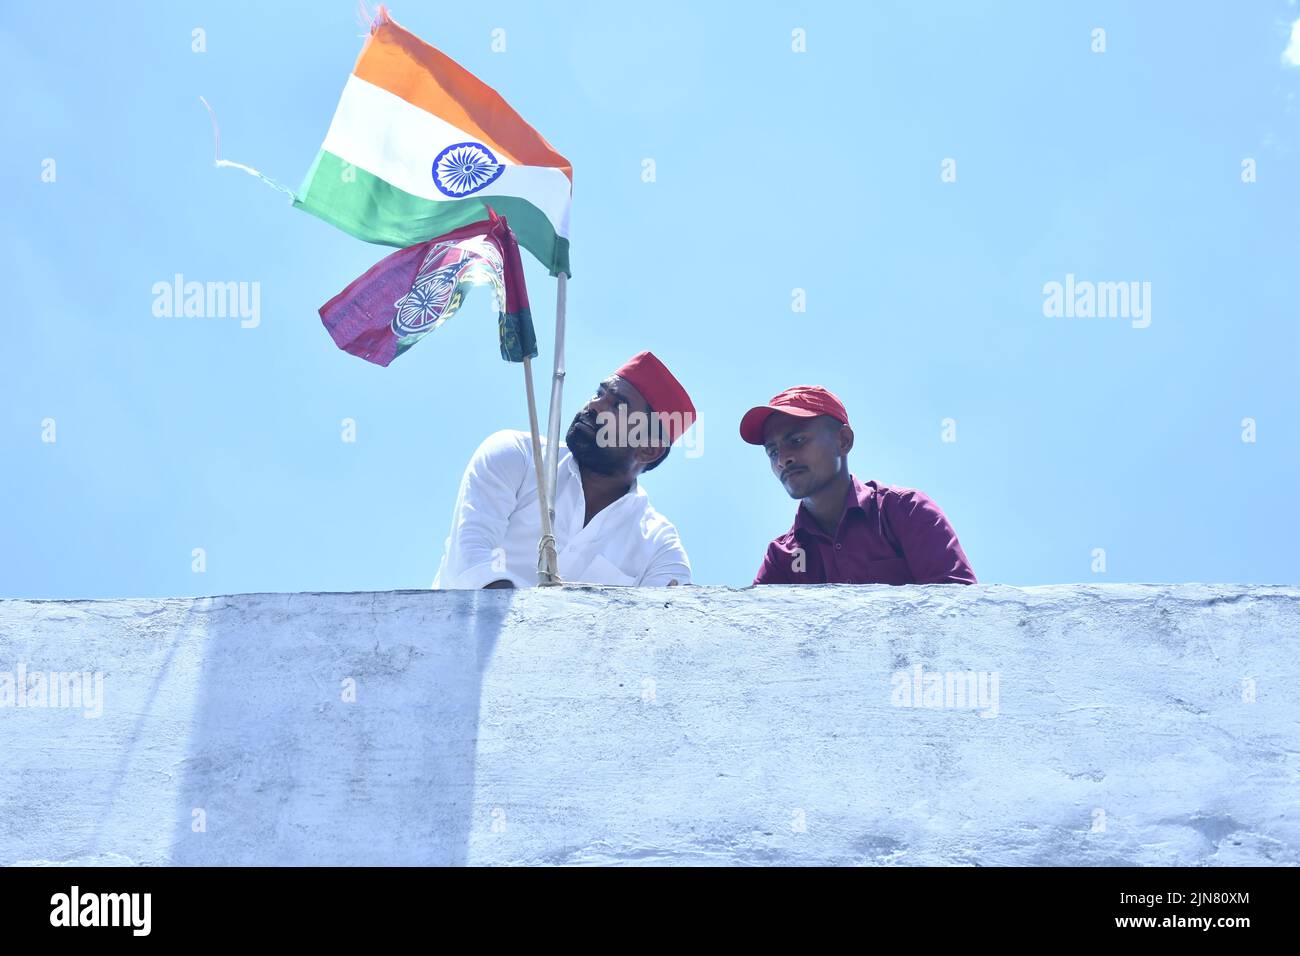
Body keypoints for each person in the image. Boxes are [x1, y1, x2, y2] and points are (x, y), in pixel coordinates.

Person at [433, 351, 696, 588]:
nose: (594, 406)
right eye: (599, 393)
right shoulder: (519, 457)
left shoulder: (660, 547)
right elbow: (469, 561)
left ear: (648, 449)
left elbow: (660, 626)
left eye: (618, 406)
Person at [740, 385, 976, 586]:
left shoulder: (907, 511)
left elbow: (961, 615)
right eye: (772, 451)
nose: (783, 459)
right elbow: (755, 636)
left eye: (797, 440)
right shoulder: (781, 557)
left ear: (843, 441)